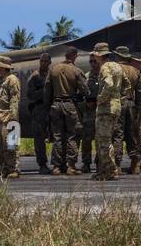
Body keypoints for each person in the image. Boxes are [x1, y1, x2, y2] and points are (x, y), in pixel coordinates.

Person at [45, 46, 88, 175]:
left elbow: (47, 90)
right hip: (70, 105)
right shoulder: (76, 70)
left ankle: (57, 167)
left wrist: (49, 106)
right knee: (72, 136)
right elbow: (85, 89)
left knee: (57, 137)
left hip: (56, 104)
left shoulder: (53, 69)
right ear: (75, 56)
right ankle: (71, 166)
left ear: (65, 55)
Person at [90, 43, 125, 181]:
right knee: (107, 139)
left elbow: (109, 84)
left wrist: (101, 98)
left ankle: (110, 171)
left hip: (106, 108)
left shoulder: (104, 67)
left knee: (103, 141)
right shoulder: (117, 66)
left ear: (99, 55)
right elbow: (126, 84)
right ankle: (105, 171)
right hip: (116, 107)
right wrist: (119, 97)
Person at [0, 55, 22, 179]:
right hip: (0, 118)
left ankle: (14, 169)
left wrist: (13, 119)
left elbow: (14, 100)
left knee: (11, 145)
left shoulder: (12, 80)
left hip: (9, 118)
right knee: (0, 145)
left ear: (2, 67)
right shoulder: (3, 79)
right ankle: (4, 169)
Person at [114, 45, 140, 173]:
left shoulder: (115, 69)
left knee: (118, 134)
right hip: (131, 103)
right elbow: (139, 92)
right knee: (131, 134)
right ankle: (135, 163)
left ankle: (117, 165)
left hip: (118, 103)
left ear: (118, 56)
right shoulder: (135, 70)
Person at [26, 52, 53, 174]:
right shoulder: (34, 77)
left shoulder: (53, 75)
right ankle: (42, 164)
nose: (43, 63)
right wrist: (44, 92)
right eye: (41, 61)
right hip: (39, 109)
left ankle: (58, 163)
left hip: (52, 109)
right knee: (39, 139)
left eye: (45, 61)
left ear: (49, 62)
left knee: (57, 136)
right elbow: (30, 95)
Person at [79, 53, 102, 174]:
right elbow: (82, 93)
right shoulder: (87, 77)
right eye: (91, 61)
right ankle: (86, 163)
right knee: (86, 140)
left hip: (101, 114)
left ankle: (100, 163)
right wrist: (86, 103)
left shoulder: (104, 76)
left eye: (95, 61)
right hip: (89, 113)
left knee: (100, 140)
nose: (93, 64)